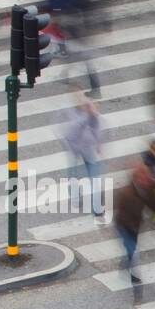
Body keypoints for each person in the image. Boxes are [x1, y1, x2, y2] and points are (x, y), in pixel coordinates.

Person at [113, 157, 155, 304]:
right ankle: (138, 293)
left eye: (148, 176)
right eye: (145, 176)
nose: (148, 178)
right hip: (124, 227)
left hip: (134, 228)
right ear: (138, 178)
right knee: (134, 258)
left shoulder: (146, 189)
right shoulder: (127, 194)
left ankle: (124, 264)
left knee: (131, 253)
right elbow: (123, 215)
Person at [57, 91, 104, 221]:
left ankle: (91, 207)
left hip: (82, 148)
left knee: (83, 176)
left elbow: (95, 126)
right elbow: (93, 127)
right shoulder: (75, 109)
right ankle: (81, 201)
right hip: (80, 147)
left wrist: (98, 142)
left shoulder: (84, 109)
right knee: (81, 174)